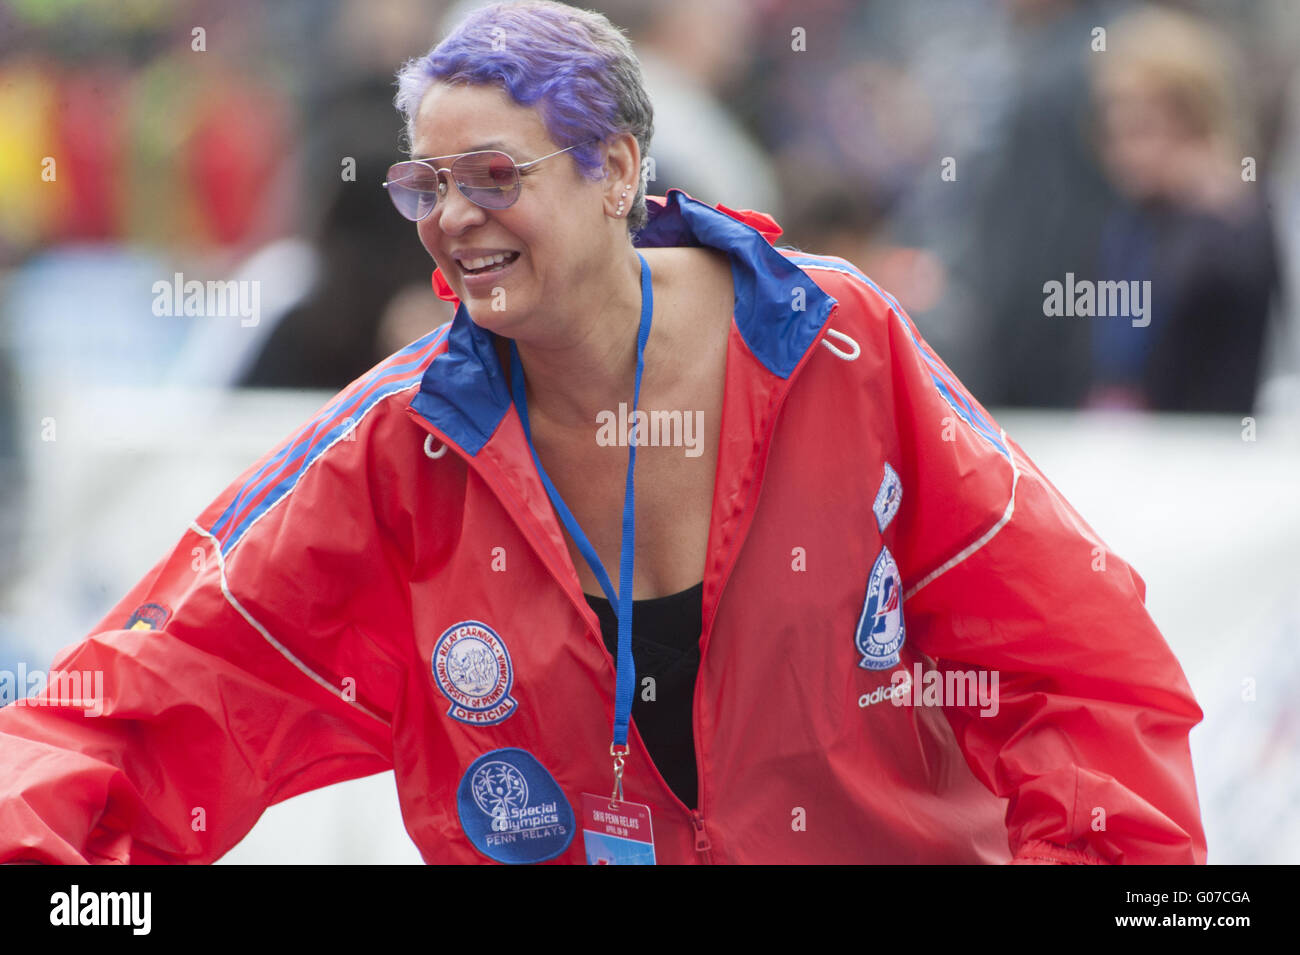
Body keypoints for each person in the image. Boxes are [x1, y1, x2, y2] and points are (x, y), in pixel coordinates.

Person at [0, 0, 1205, 864]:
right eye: (426, 187)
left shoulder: (830, 339)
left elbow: (1072, 658)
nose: (453, 218)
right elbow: (143, 699)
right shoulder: (403, 441)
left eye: (491, 175)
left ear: (616, 168)